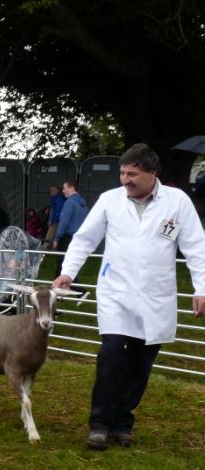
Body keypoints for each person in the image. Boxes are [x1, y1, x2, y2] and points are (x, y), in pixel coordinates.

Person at [53, 143, 205, 450]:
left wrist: (201, 288)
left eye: (132, 174)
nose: (125, 180)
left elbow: (195, 246)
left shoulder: (177, 202)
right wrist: (68, 272)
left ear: (152, 173)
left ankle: (122, 422)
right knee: (110, 354)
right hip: (116, 292)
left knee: (140, 363)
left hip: (155, 295)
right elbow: (85, 239)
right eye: (122, 173)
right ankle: (99, 423)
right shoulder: (110, 200)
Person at [52, 179, 88, 278]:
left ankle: (80, 292)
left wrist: (57, 238)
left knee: (62, 266)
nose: (63, 191)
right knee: (71, 265)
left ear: (72, 188)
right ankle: (58, 290)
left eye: (65, 188)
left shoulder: (69, 202)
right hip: (78, 237)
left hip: (66, 238)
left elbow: (64, 222)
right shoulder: (83, 203)